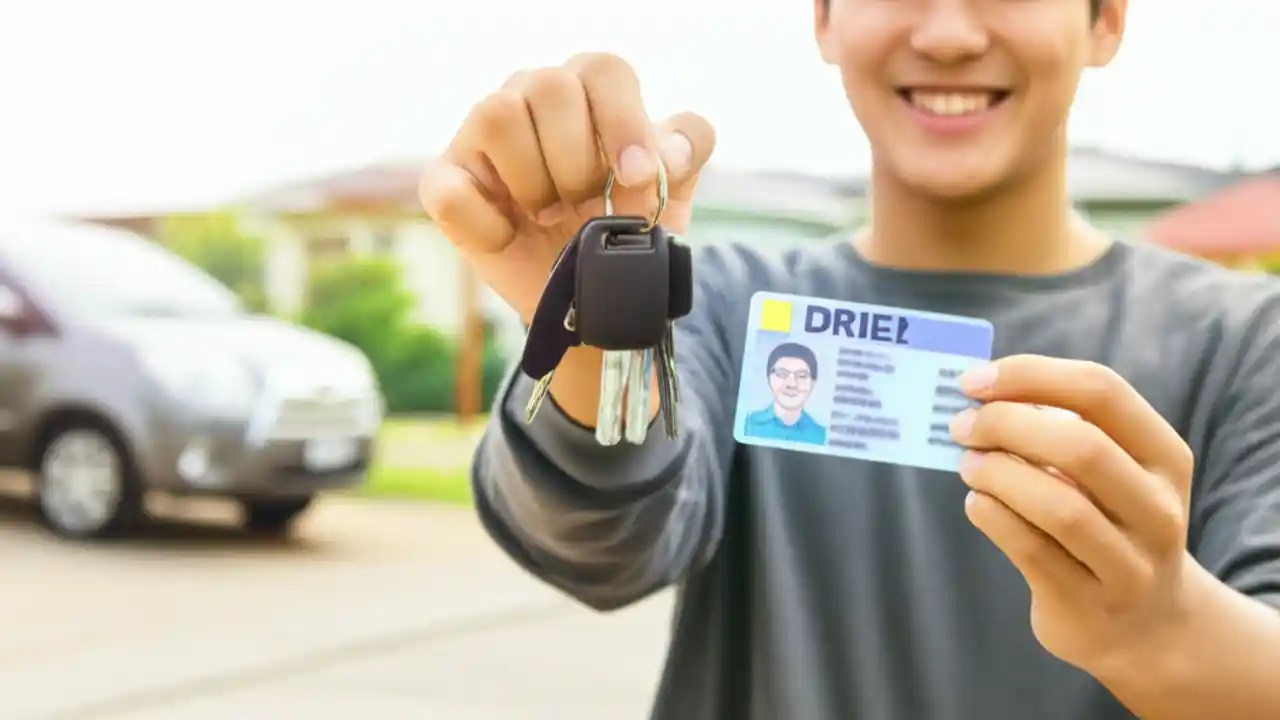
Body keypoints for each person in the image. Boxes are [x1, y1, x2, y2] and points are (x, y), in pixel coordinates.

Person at [418, 0, 1280, 717]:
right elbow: (596, 548)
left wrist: (1161, 629)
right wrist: (599, 332)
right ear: (826, 18)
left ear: (1106, 21)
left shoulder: (1247, 342)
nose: (948, 33)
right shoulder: (719, 304)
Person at [743, 342, 828, 445]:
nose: (791, 384)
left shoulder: (824, 437)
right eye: (782, 374)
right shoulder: (746, 425)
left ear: (813, 383)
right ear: (768, 378)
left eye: (801, 376)